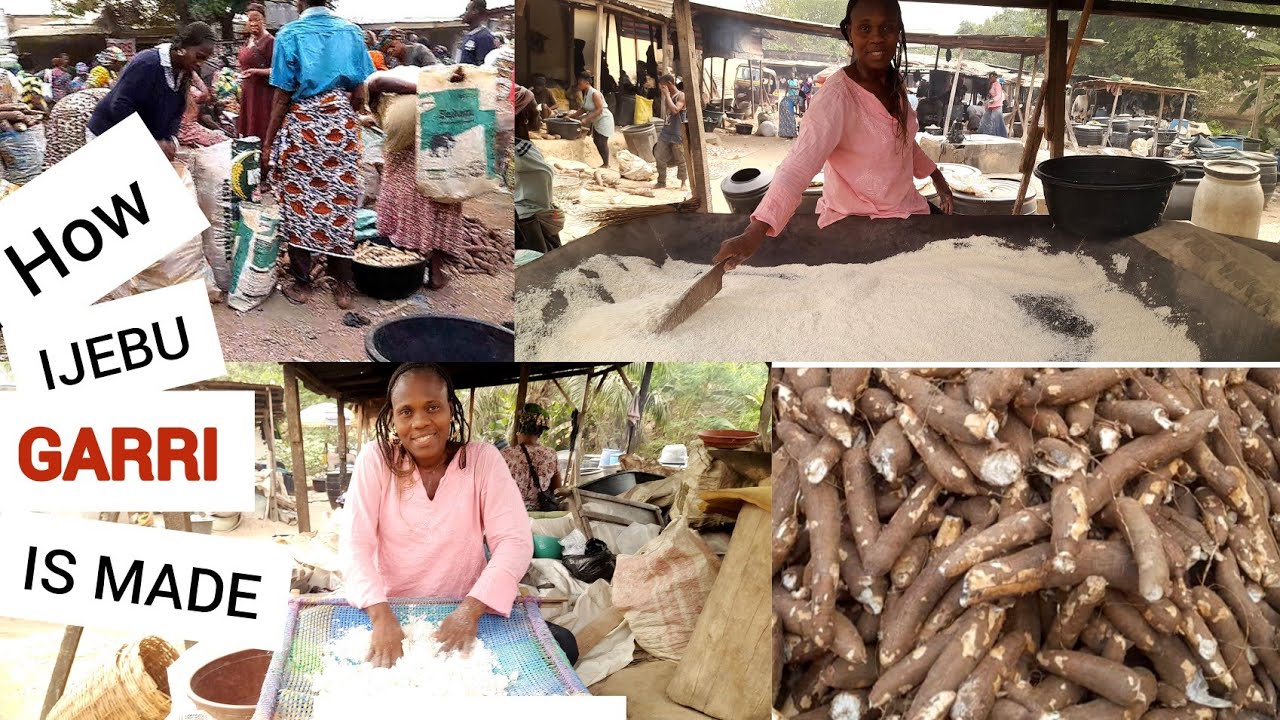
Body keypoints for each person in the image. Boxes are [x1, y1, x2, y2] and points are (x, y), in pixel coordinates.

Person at [344, 364, 578, 668]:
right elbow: (355, 543)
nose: (420, 422)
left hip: (468, 605)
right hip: (391, 608)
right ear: (392, 418)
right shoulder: (376, 459)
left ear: (451, 410)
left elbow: (514, 541)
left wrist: (470, 610)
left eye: (432, 407)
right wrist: (381, 616)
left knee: (564, 646)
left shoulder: (482, 459)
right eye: (406, 412)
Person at [713, 0, 955, 271]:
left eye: (886, 27)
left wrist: (937, 178)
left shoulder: (894, 83)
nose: (876, 37)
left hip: (905, 209)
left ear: (898, 32)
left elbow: (903, 142)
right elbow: (797, 167)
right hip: (857, 222)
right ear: (849, 33)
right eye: (865, 28)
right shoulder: (836, 98)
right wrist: (754, 232)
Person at [261, 0, 375, 309]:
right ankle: (343, 288)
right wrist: (339, 121)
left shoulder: (289, 34)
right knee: (340, 205)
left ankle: (303, 284)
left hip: (304, 129)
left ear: (300, 1)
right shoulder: (352, 32)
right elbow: (360, 93)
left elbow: (282, 96)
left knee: (300, 204)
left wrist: (269, 143)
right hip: (341, 127)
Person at [368, 68, 495, 291]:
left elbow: (377, 82)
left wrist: (427, 90)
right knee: (440, 199)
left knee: (407, 196)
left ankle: (407, 266)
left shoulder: (391, 99)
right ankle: (435, 271)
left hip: (419, 151)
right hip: (442, 158)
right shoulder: (424, 95)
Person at [88, 23, 216, 160]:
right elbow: (119, 106)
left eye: (205, 59)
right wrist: (151, 144)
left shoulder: (184, 72)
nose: (200, 63)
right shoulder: (148, 63)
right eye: (199, 56)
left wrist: (169, 140)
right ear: (182, 48)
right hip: (109, 134)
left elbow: (177, 111)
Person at [514, 85, 561, 253]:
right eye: (536, 108)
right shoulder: (516, 153)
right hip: (527, 226)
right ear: (525, 115)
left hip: (539, 219)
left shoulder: (524, 146)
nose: (540, 113)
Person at [500, 403, 563, 511]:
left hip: (510, 513)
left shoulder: (505, 455)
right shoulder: (550, 455)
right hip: (538, 517)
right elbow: (557, 490)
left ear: (520, 428)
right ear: (540, 431)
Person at [236, 3, 274, 140]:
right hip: (248, 92)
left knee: (261, 127)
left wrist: (256, 71)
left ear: (264, 20)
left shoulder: (270, 42)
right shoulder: (249, 40)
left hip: (262, 94)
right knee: (248, 130)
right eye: (250, 20)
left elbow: (277, 71)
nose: (253, 23)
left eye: (256, 19)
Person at [569, 71, 613, 168]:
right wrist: (570, 116)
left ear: (587, 83)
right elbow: (584, 109)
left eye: (580, 83)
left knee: (602, 141)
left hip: (604, 119)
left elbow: (599, 109)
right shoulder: (586, 93)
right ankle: (605, 163)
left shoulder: (594, 93)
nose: (578, 85)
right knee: (596, 140)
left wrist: (586, 119)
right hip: (597, 120)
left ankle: (606, 164)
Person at [654, 73, 687, 190]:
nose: (661, 89)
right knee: (659, 155)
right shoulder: (668, 96)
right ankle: (661, 181)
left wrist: (667, 95)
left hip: (677, 133)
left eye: (663, 86)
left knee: (681, 158)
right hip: (666, 131)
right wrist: (667, 96)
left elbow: (675, 111)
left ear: (669, 84)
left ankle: (683, 183)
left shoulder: (681, 96)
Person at [459, 0, 496, 65]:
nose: (464, 13)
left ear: (475, 12)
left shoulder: (484, 37)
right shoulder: (470, 35)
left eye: (467, 10)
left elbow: (483, 67)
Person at [978, 71, 1007, 137]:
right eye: (989, 77)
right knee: (985, 120)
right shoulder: (991, 84)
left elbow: (999, 95)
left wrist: (992, 100)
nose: (990, 79)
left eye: (991, 77)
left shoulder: (997, 84)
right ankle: (984, 133)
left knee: (997, 122)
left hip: (996, 105)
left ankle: (1000, 136)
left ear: (995, 77)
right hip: (990, 105)